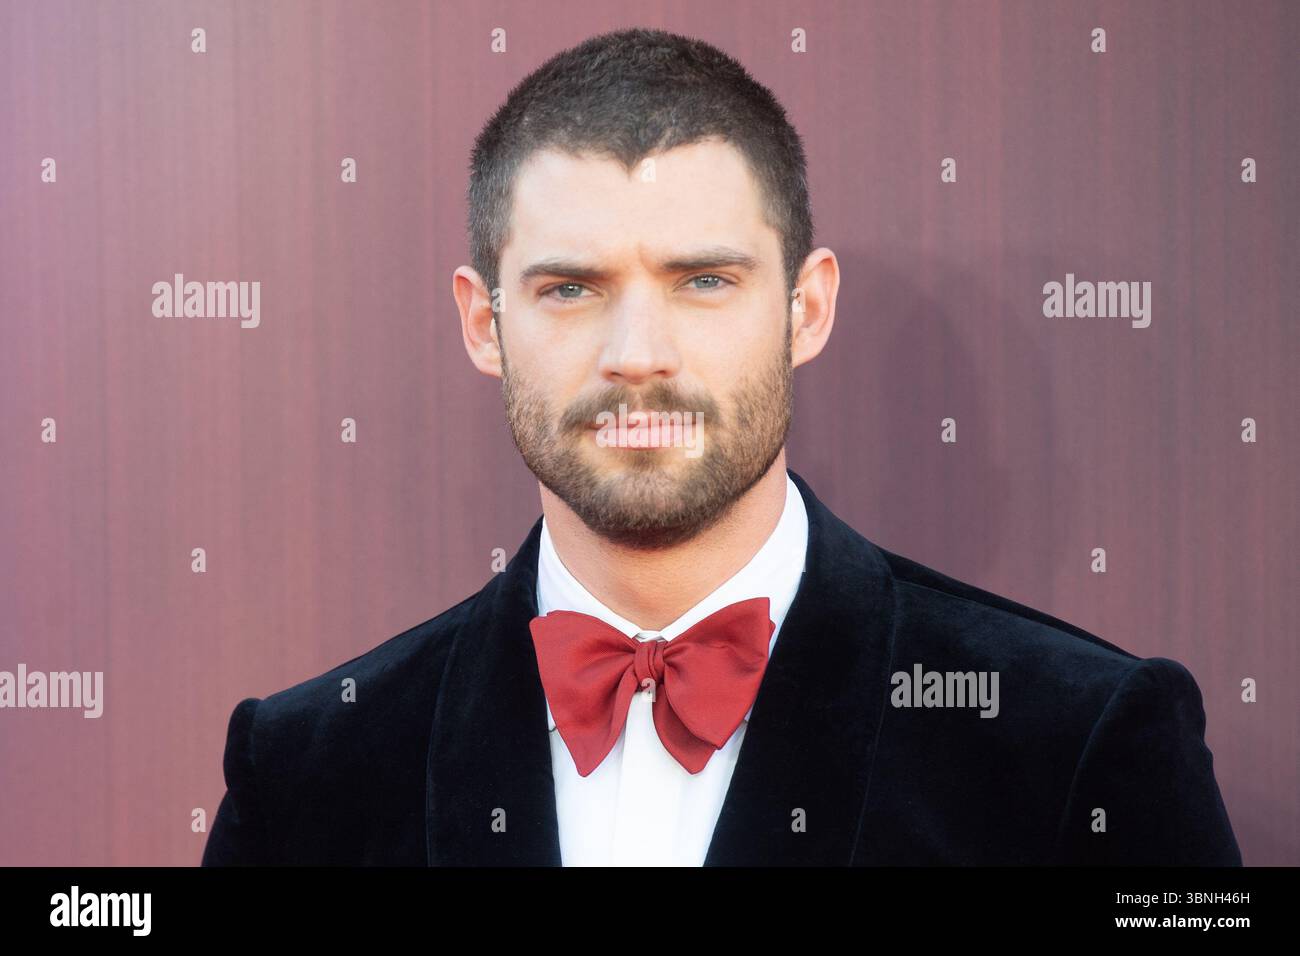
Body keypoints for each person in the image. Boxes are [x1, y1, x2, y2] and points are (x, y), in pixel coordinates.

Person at [202, 27, 1241, 866]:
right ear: (483, 323)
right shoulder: (304, 768)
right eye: (571, 288)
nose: (637, 355)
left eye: (703, 280)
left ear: (807, 308)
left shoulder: (1080, 739)